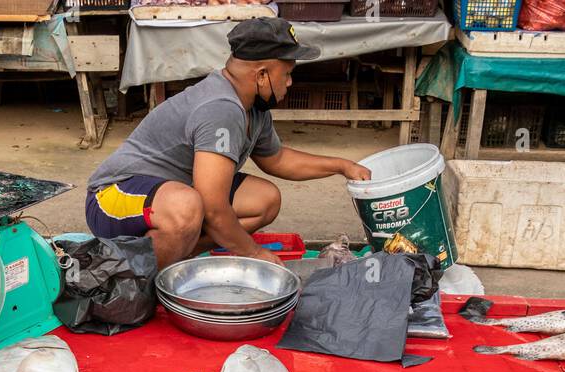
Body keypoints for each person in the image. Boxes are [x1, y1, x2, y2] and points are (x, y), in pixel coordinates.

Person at [85, 18, 372, 268]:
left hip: (167, 198)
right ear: (261, 75)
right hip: (111, 198)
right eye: (287, 73)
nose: (290, 82)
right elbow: (212, 206)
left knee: (264, 200)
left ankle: (172, 257)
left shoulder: (253, 108)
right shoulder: (221, 109)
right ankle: (137, 283)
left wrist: (342, 166)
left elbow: (278, 160)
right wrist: (254, 252)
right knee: (190, 207)